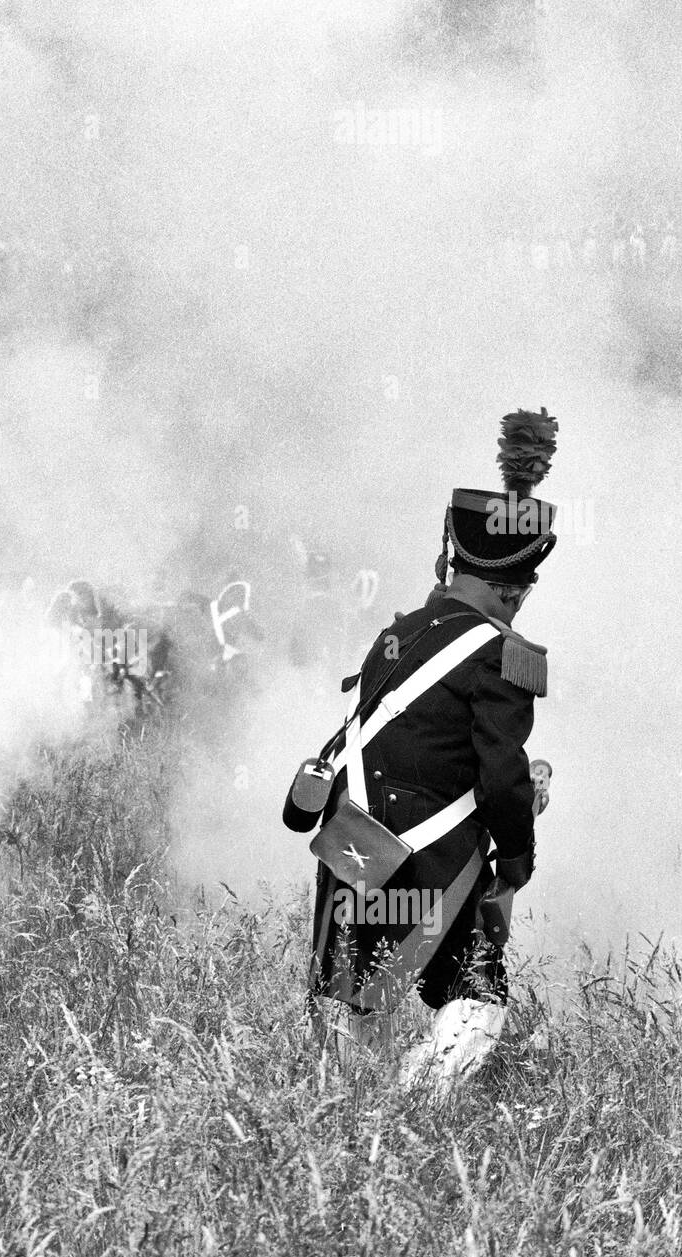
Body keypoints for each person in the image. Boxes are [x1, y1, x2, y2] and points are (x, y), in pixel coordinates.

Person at [284, 407, 560, 1096]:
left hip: (352, 856)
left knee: (352, 1020)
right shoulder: (503, 654)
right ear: (514, 586)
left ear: (452, 557)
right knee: (476, 1004)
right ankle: (415, 1119)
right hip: (435, 869)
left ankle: (352, 1136)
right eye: (523, 590)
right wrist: (517, 859)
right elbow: (499, 779)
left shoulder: (395, 636)